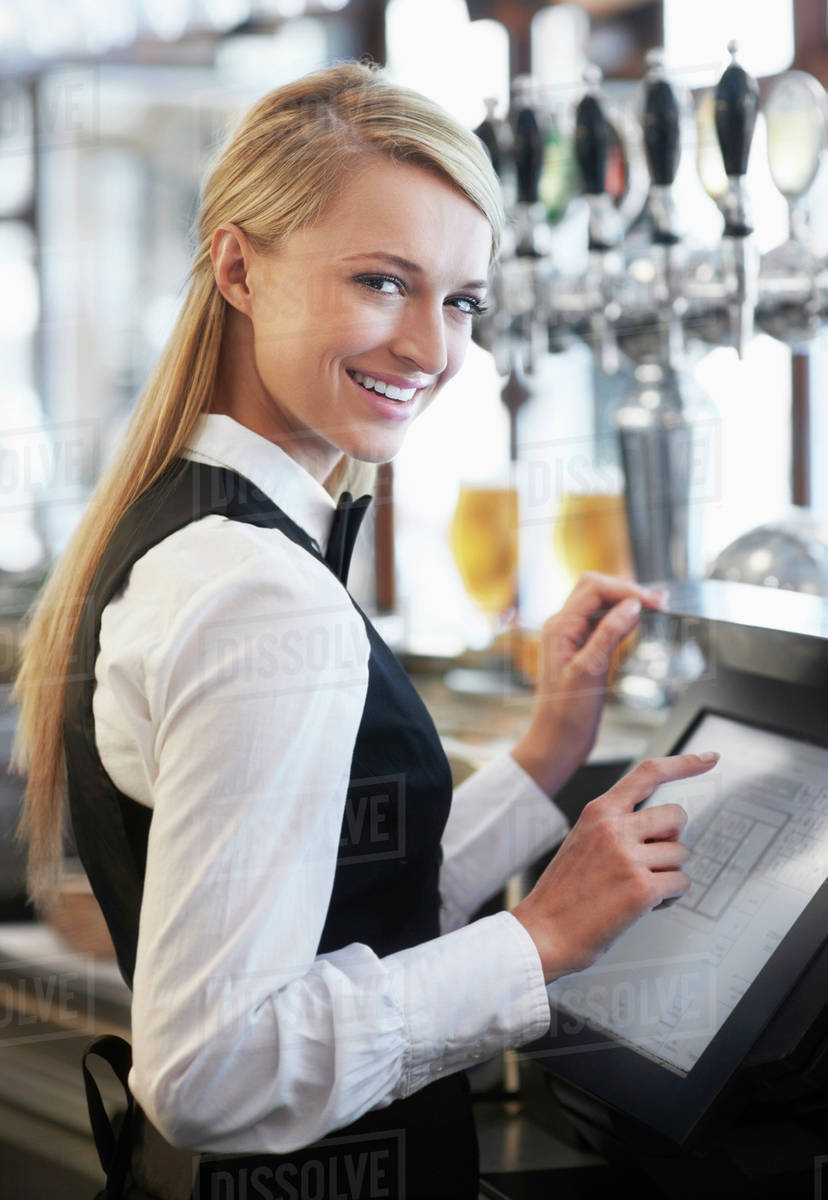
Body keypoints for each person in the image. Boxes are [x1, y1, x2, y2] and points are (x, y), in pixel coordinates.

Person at [11, 61, 718, 1200]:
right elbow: (212, 1073)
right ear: (238, 268)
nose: (433, 350)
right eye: (384, 282)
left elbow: (342, 898)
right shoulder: (260, 593)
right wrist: (538, 937)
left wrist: (542, 756)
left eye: (462, 301)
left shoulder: (199, 531)